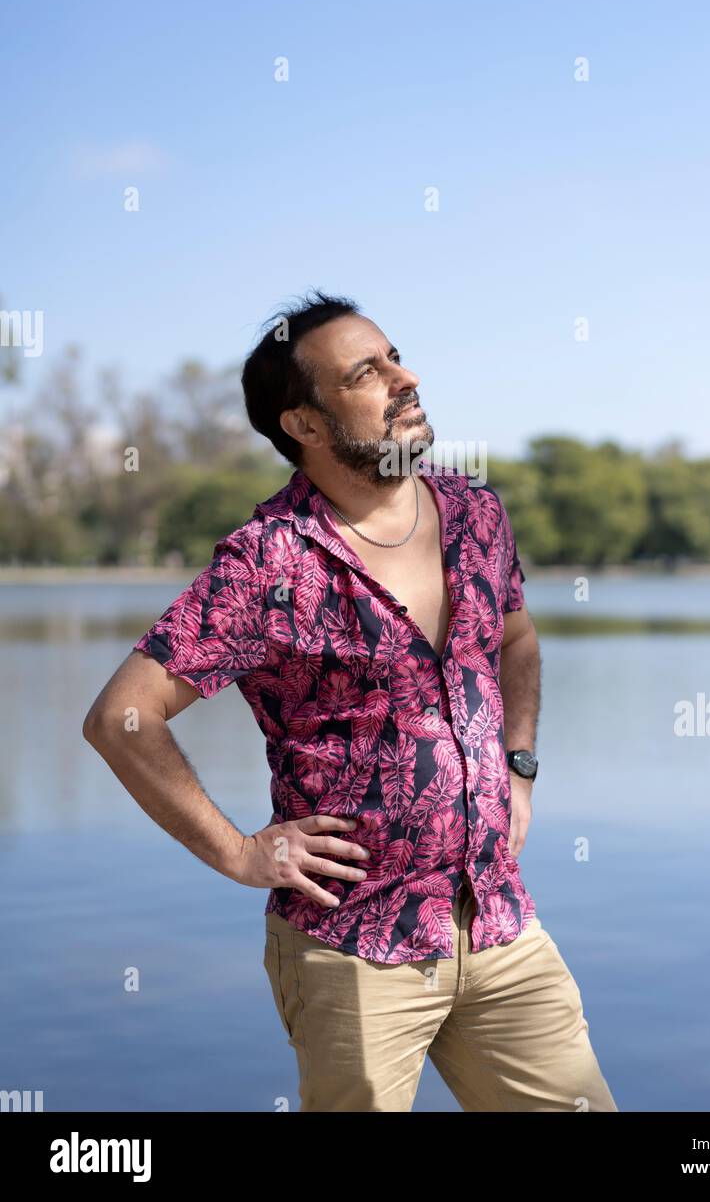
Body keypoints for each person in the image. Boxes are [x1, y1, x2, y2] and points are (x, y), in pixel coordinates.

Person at [82, 290, 618, 1113]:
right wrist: (239, 852)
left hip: (502, 925)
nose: (405, 379)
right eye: (368, 372)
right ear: (304, 423)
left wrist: (519, 767)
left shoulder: (475, 512)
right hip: (354, 948)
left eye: (396, 356)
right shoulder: (267, 564)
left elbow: (515, 641)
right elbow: (122, 717)